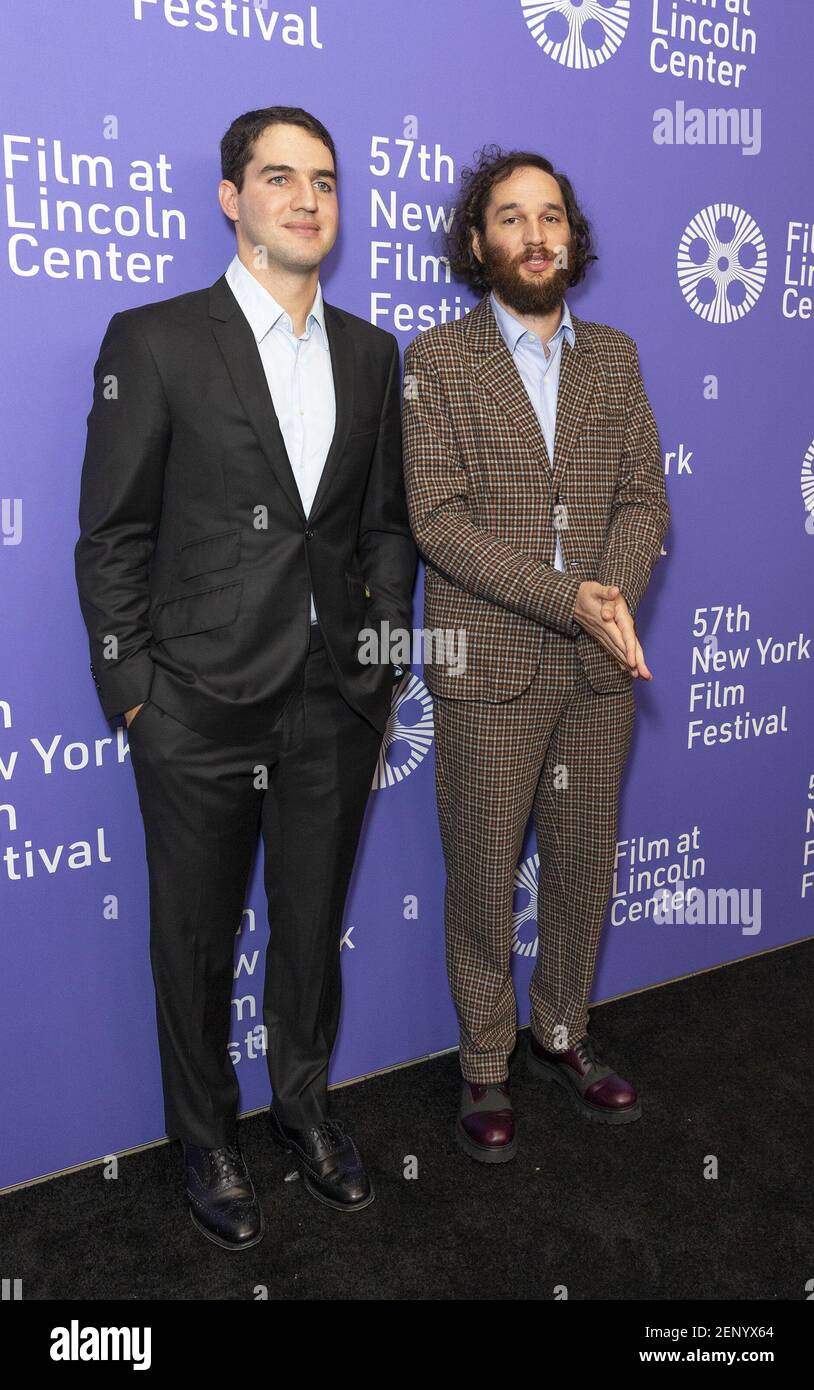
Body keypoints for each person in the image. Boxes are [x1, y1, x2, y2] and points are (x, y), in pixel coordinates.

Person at [75, 106, 417, 1246]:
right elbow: (112, 534)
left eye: (323, 179)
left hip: (333, 699)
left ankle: (305, 1111)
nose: (306, 198)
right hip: (196, 706)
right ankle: (207, 1138)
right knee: (195, 937)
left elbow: (381, 527)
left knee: (311, 928)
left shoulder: (373, 355)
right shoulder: (156, 340)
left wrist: (379, 657)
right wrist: (135, 692)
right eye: (279, 178)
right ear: (232, 197)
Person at [402, 146, 670, 1164]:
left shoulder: (616, 356)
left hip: (597, 667)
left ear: (570, 236)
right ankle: (483, 1061)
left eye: (549, 215)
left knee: (579, 864)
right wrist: (572, 597)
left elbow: (645, 497)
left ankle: (560, 1032)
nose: (534, 234)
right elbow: (436, 518)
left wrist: (607, 595)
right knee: (480, 871)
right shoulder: (437, 359)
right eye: (509, 217)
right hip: (491, 663)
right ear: (479, 242)